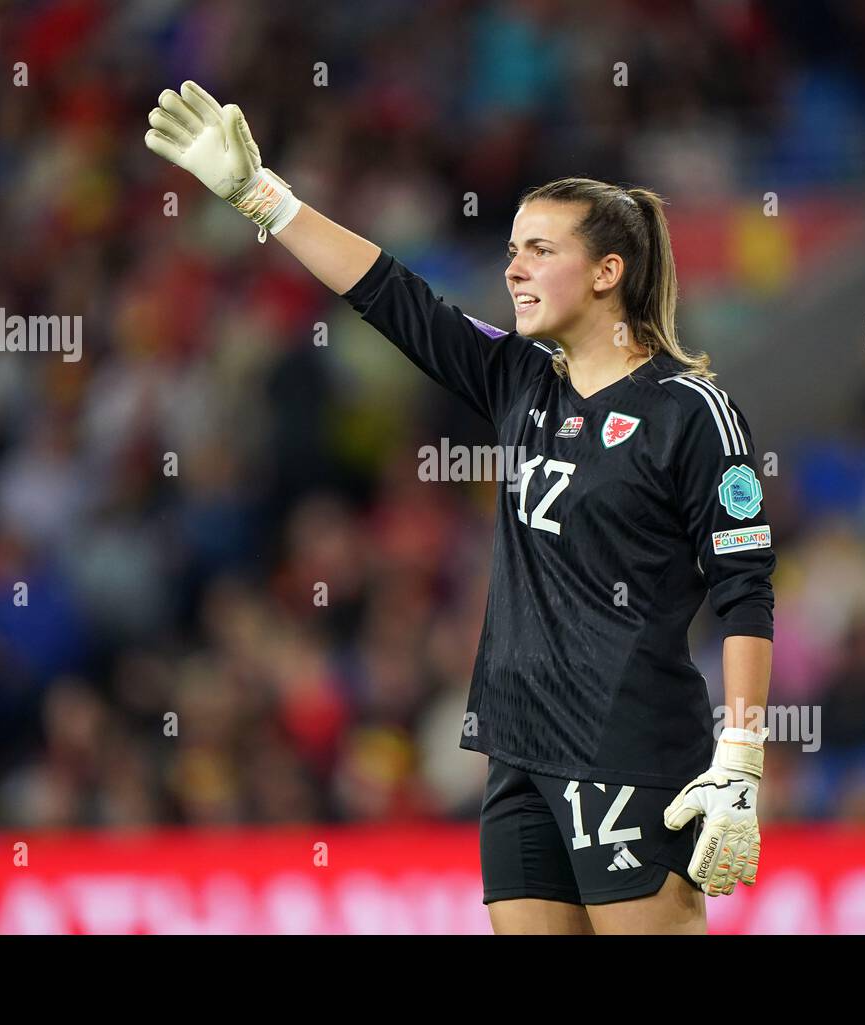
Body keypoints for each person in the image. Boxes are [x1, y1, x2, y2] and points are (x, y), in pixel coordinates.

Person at [145, 81, 775, 935]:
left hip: (628, 745)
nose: (512, 267)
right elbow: (394, 297)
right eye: (512, 248)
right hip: (517, 752)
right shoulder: (516, 377)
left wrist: (739, 757)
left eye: (539, 250)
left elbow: (745, 590)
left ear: (606, 273)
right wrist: (265, 198)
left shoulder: (688, 410)